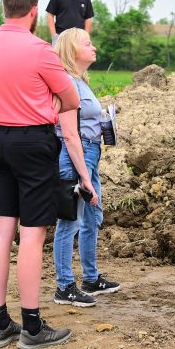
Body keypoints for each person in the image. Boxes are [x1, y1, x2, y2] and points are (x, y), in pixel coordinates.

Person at [0, 0, 80, 349]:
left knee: (2, 228)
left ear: (4, 8)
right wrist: (49, 107)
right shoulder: (40, 50)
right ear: (35, 11)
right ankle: (33, 326)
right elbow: (71, 99)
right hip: (33, 142)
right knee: (33, 233)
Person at [51, 28, 121, 307]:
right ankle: (65, 286)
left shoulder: (81, 81)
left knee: (92, 217)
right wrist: (83, 174)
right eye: (87, 43)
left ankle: (91, 278)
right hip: (75, 156)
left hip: (90, 153)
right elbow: (69, 134)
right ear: (71, 50)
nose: (94, 48)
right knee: (70, 220)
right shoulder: (66, 82)